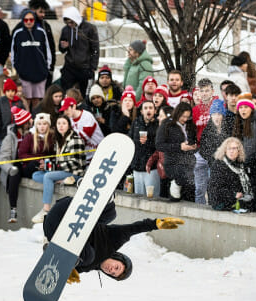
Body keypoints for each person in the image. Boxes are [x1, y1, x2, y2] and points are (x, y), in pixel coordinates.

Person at [43, 196, 184, 283]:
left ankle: (58, 251)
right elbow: (134, 228)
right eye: (116, 267)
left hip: (54, 227)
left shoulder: (86, 267)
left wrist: (63, 272)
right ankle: (100, 195)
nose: (111, 270)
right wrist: (156, 224)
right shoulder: (113, 241)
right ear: (118, 258)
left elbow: (53, 271)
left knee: (86, 258)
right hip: (68, 210)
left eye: (112, 273)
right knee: (110, 215)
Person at [30, 115, 85, 223]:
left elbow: (75, 163)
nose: (61, 126)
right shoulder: (59, 140)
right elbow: (58, 161)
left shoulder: (75, 140)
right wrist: (47, 165)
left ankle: (46, 209)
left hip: (74, 173)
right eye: (59, 123)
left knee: (48, 176)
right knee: (36, 175)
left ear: (69, 125)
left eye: (64, 123)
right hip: (62, 172)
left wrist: (53, 167)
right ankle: (61, 180)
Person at [11, 9, 51, 111]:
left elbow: (47, 50)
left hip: (40, 72)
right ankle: (26, 119)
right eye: (26, 20)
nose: (28, 22)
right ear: (22, 20)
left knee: (37, 100)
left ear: (34, 20)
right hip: (23, 74)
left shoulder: (41, 32)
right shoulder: (18, 34)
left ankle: (35, 118)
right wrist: (16, 69)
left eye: (31, 19)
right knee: (26, 100)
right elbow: (13, 52)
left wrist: (47, 67)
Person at [156, 102, 197, 202]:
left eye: (187, 117)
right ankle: (175, 187)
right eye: (183, 116)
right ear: (177, 113)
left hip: (189, 162)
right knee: (175, 197)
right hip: (173, 163)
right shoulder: (167, 124)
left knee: (190, 194)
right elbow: (159, 145)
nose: (185, 119)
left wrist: (193, 146)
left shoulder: (189, 124)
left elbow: (193, 139)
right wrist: (179, 146)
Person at [0, 107, 33, 223]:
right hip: (14, 165)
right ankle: (13, 209)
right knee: (14, 175)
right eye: (27, 122)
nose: (30, 124)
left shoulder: (31, 134)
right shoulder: (10, 138)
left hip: (26, 164)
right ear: (23, 124)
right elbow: (3, 158)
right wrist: (10, 168)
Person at [58, 6, 99, 95]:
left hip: (85, 67)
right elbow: (61, 49)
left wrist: (93, 67)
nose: (70, 24)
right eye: (67, 23)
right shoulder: (66, 30)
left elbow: (95, 49)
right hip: (69, 67)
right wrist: (64, 46)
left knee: (85, 94)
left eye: (71, 22)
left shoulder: (90, 28)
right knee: (66, 92)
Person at [208, 137, 253, 211]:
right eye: (229, 148)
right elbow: (215, 189)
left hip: (237, 199)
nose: (231, 151)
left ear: (239, 151)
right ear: (225, 150)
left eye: (234, 148)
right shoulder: (219, 165)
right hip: (221, 202)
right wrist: (234, 194)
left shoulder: (241, 165)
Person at [129, 99, 160, 197]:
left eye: (150, 108)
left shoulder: (158, 124)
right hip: (137, 166)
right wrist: (138, 142)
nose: (148, 110)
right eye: (145, 108)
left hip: (152, 167)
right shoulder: (136, 122)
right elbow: (130, 139)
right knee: (138, 196)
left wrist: (148, 141)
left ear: (155, 111)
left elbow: (160, 145)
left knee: (152, 196)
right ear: (142, 111)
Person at [28, 0, 56, 83]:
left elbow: (51, 48)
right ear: (33, 10)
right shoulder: (23, 26)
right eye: (40, 12)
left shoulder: (46, 26)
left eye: (44, 12)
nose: (43, 15)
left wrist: (51, 68)